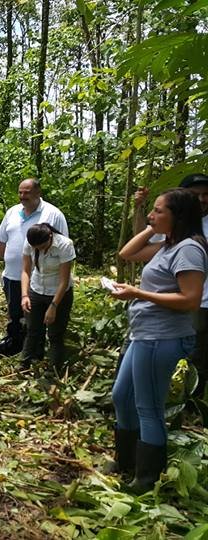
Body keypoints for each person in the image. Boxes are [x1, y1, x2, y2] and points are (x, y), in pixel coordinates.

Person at [109, 188, 207, 493]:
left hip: (162, 338)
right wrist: (154, 225)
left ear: (178, 216)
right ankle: (126, 460)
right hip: (144, 334)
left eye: (158, 210)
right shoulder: (168, 245)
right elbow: (127, 253)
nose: (151, 215)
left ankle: (147, 477)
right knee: (121, 396)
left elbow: (190, 299)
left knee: (148, 407)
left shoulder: (189, 250)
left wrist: (137, 293)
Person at [135, 173, 208, 401]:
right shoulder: (175, 231)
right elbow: (135, 247)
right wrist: (145, 213)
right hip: (190, 301)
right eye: (196, 195)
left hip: (193, 298)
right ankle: (186, 403)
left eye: (206, 195)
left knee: (200, 355)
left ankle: (193, 404)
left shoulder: (189, 245)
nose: (202, 200)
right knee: (193, 354)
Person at [0, 179, 68, 358]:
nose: (22, 197)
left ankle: (36, 352)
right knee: (15, 314)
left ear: (38, 193)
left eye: (27, 193)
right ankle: (15, 344)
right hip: (12, 276)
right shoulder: (12, 212)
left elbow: (63, 247)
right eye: (20, 193)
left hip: (39, 279)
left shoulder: (52, 214)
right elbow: (0, 240)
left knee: (34, 319)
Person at [20, 223, 75, 373]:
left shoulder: (64, 245)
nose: (39, 250)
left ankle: (54, 370)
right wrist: (25, 295)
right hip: (36, 289)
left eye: (42, 246)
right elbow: (25, 270)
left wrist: (53, 306)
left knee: (55, 334)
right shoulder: (30, 242)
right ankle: (25, 364)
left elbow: (64, 280)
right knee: (32, 329)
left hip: (59, 293)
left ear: (50, 236)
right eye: (36, 247)